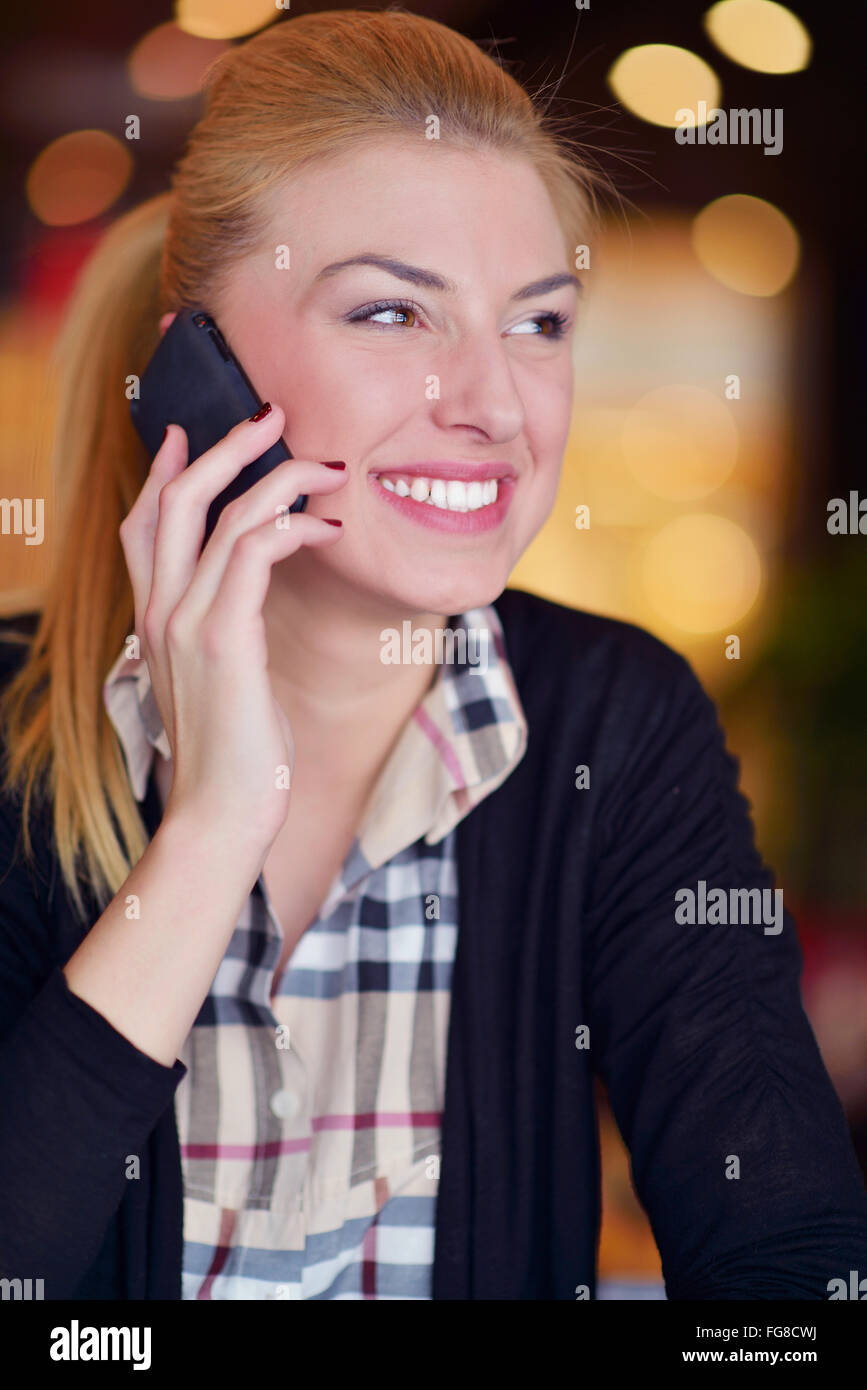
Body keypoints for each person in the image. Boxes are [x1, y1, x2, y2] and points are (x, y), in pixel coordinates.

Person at [1, 9, 865, 1301]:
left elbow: (794, 1266)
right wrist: (213, 829)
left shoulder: (612, 726)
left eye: (539, 323)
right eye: (395, 312)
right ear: (199, 360)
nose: (495, 405)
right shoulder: (15, 724)